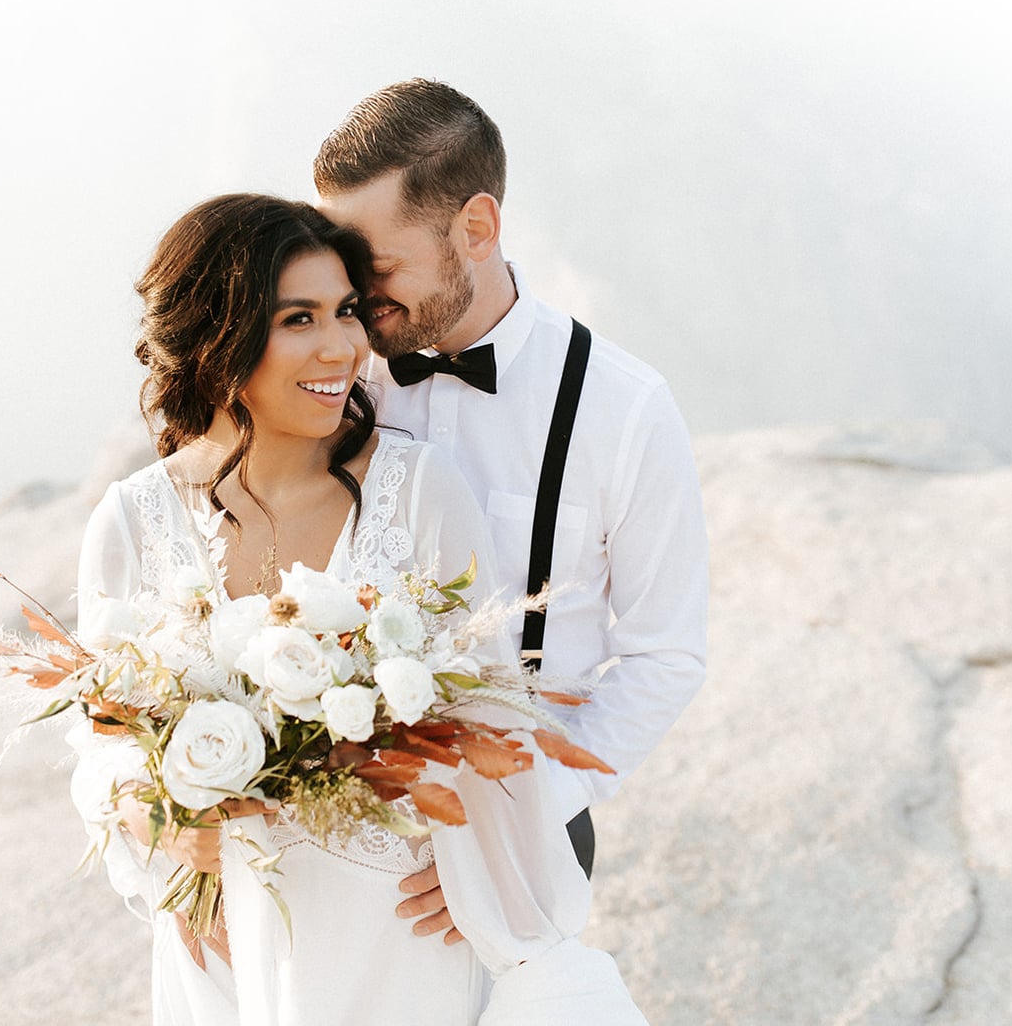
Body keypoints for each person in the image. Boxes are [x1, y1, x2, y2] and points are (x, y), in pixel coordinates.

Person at [69, 194, 645, 1025]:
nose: (341, 347)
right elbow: (104, 742)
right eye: (297, 318)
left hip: (398, 938)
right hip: (223, 945)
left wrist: (481, 880)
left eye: (346, 311)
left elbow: (494, 719)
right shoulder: (132, 522)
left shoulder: (421, 492)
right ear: (216, 333)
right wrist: (158, 819)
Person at [314, 80, 710, 943]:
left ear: (477, 228)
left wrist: (523, 816)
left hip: (530, 832)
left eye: (378, 268)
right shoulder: (333, 375)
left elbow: (666, 653)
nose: (357, 297)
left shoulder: (625, 408)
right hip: (329, 831)